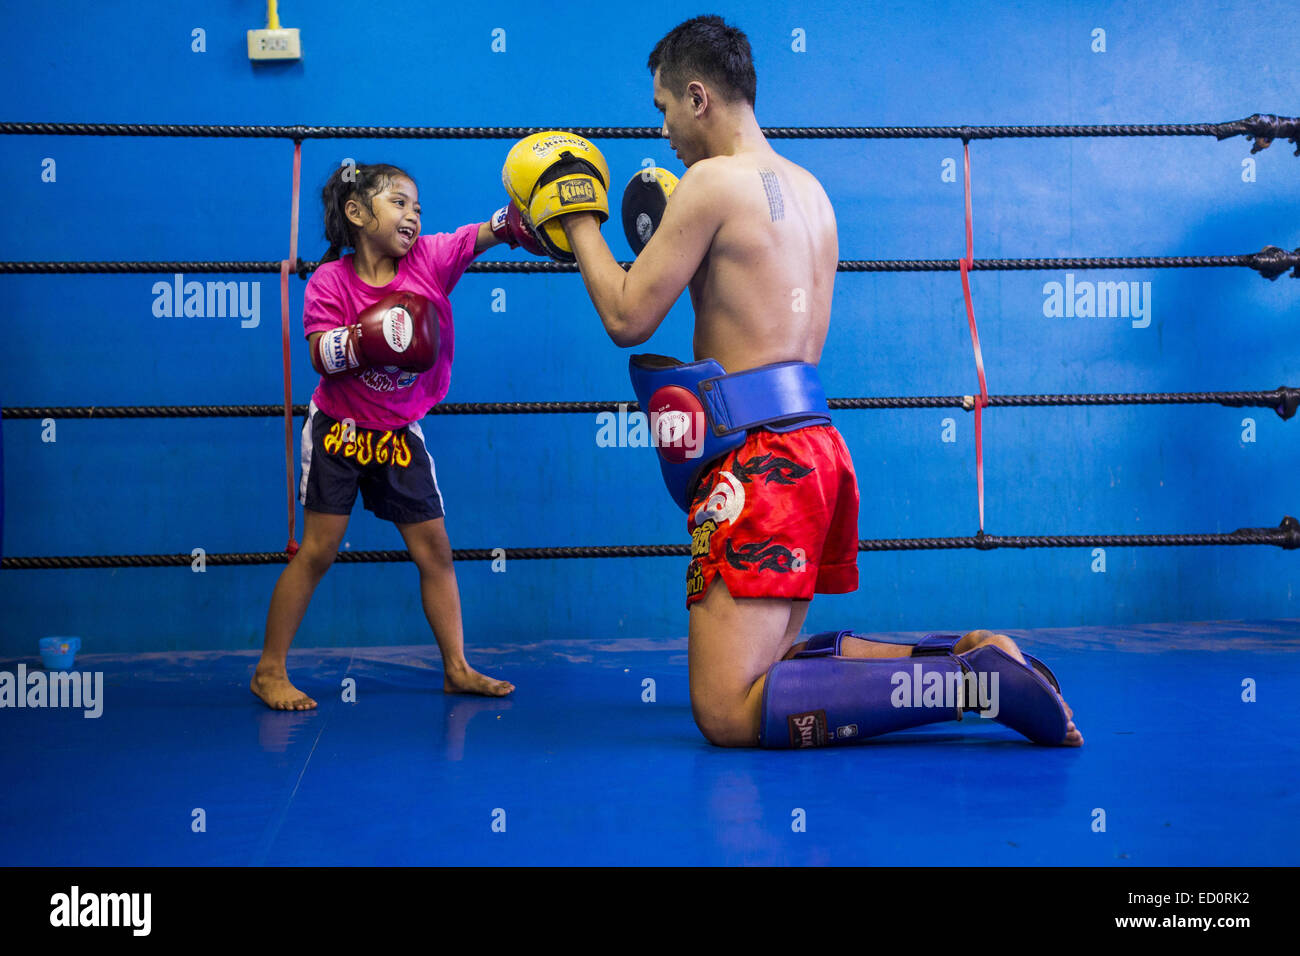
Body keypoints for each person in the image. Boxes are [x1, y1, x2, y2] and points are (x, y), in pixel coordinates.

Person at [516, 16, 1083, 747]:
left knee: (726, 710)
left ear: (697, 97)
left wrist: (578, 215)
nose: (662, 131)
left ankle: (974, 687)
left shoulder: (710, 183)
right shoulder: (811, 191)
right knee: (774, 664)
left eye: (662, 109)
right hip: (812, 449)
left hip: (760, 462)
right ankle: (966, 660)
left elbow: (628, 317)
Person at [251, 162, 539, 710]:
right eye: (399, 203)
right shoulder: (331, 282)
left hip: (399, 433)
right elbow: (319, 354)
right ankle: (268, 670)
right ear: (357, 214)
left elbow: (482, 235)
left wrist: (520, 218)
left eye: (417, 206)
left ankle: (456, 668)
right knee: (317, 551)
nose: (413, 214)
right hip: (340, 430)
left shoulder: (429, 260)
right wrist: (367, 339)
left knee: (436, 552)